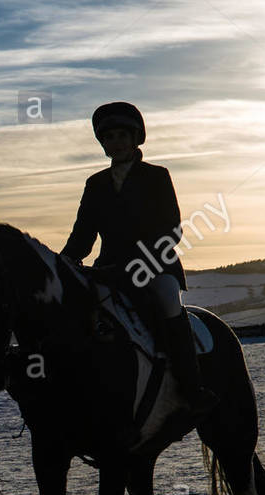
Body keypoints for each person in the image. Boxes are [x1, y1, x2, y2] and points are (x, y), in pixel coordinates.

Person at [61, 101, 218, 416]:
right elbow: (83, 235)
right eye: (109, 138)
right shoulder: (95, 184)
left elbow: (171, 230)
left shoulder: (157, 176)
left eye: (121, 135)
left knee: (169, 305)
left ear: (134, 139)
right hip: (108, 272)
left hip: (155, 268)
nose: (115, 142)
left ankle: (192, 387)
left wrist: (138, 263)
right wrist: (63, 263)